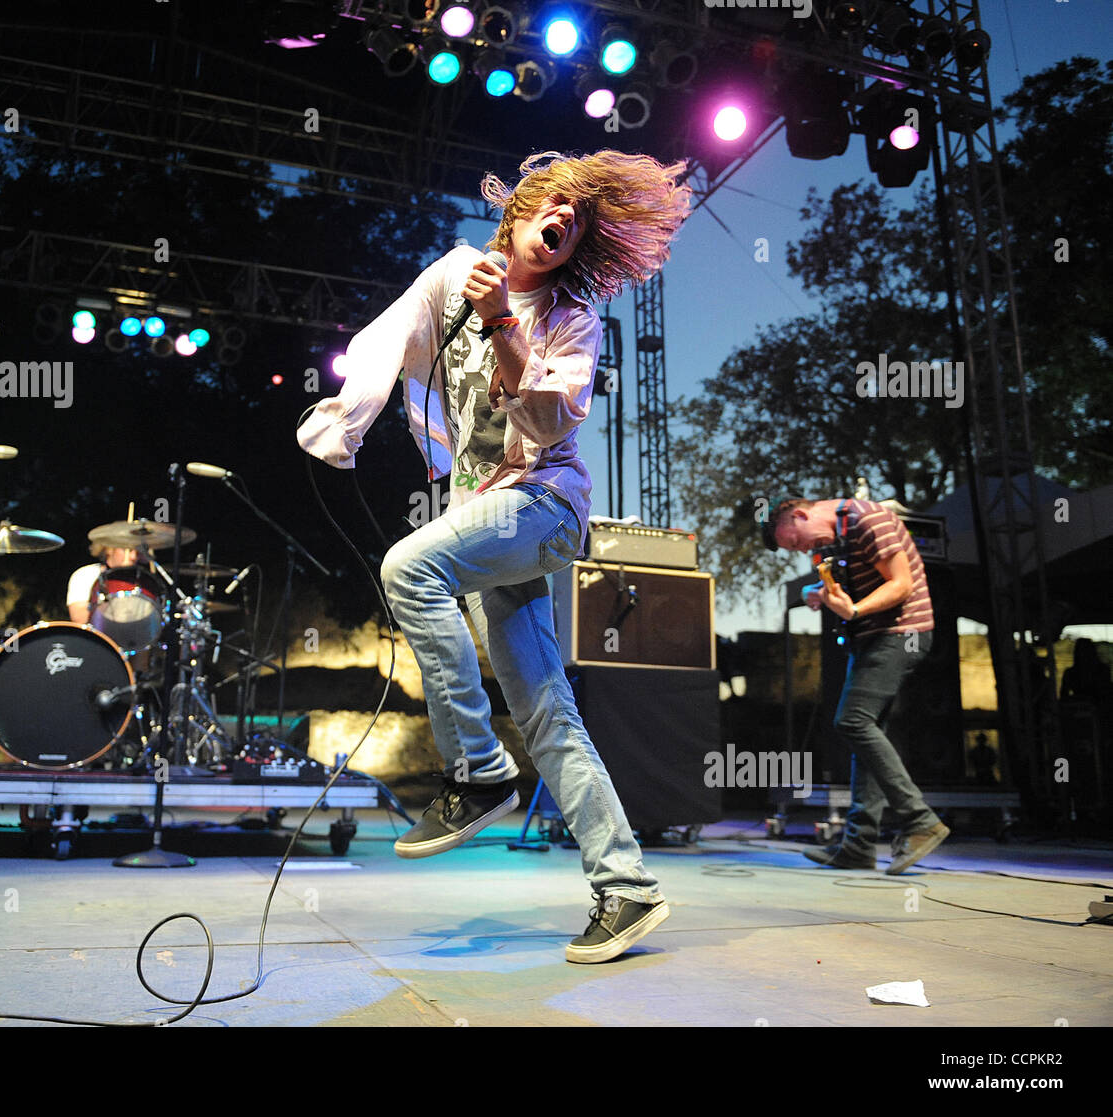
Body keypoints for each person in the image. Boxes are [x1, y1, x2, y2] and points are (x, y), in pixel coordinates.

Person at [297, 150, 690, 963]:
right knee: (547, 710)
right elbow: (386, 338)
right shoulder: (453, 276)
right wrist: (349, 420)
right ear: (517, 212)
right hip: (489, 516)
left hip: (545, 508)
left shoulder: (570, 317)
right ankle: (628, 888)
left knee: (410, 567)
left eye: (578, 225)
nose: (562, 227)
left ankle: (476, 767)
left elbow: (549, 426)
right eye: (554, 209)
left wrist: (507, 323)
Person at [762, 496, 951, 874]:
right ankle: (858, 845)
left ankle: (920, 819)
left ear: (801, 514)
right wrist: (818, 594)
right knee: (864, 735)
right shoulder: (842, 532)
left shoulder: (867, 519)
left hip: (899, 634)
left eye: (797, 541)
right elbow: (855, 585)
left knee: (853, 722)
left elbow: (902, 584)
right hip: (872, 637)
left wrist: (857, 611)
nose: (804, 549)